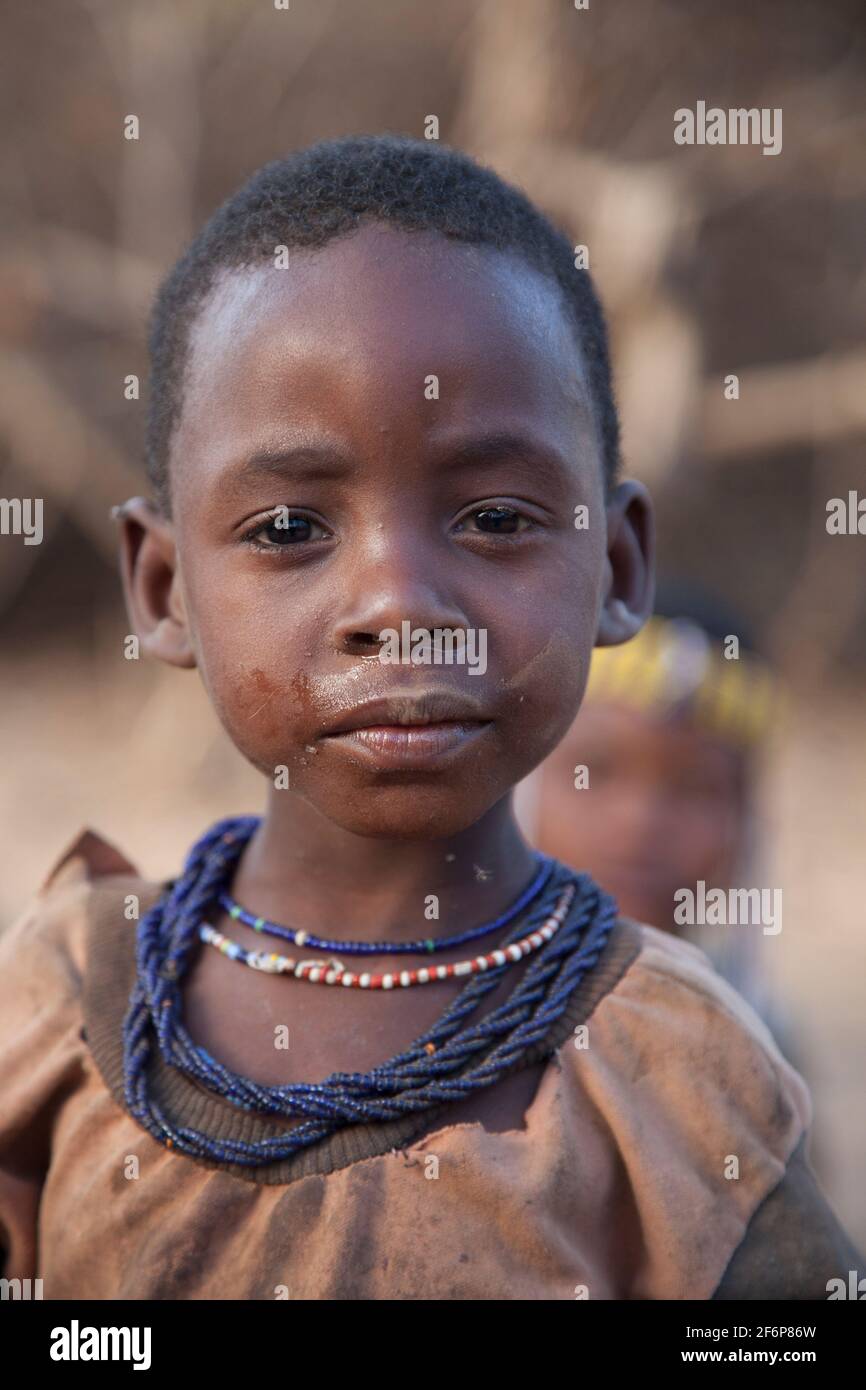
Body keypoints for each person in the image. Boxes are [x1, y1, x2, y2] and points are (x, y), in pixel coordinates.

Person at [0, 136, 859, 1300]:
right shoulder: (58, 1005)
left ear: (613, 564)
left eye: (495, 516)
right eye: (290, 529)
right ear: (162, 590)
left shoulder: (680, 1081)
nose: (399, 604)